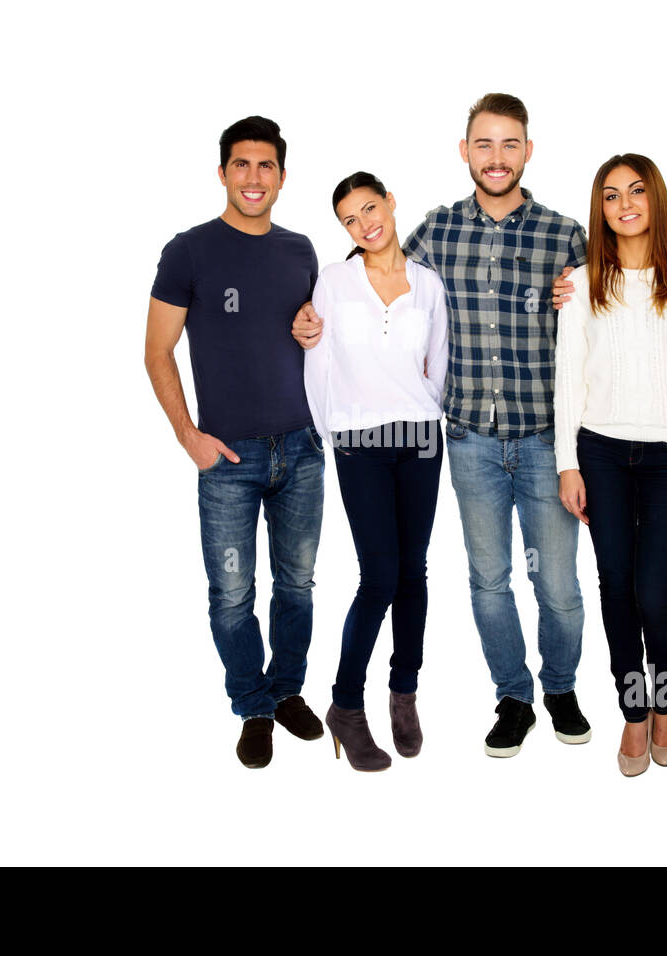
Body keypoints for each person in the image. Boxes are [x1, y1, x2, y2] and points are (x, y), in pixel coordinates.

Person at [143, 116, 326, 770]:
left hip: (302, 449)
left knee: (298, 585)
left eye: (266, 166)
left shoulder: (302, 249)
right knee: (232, 593)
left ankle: (287, 691)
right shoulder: (189, 251)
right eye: (242, 165)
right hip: (227, 458)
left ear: (281, 176)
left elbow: (309, 331)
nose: (254, 178)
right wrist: (187, 435)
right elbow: (157, 350)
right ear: (223, 172)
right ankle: (251, 704)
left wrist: (312, 328)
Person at [554, 154, 667, 777]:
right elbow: (568, 376)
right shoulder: (581, 281)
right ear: (599, 209)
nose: (624, 204)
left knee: (656, 590)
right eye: (610, 195)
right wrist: (568, 463)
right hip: (600, 452)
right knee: (615, 586)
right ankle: (633, 710)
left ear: (657, 200)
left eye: (637, 191)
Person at [303, 172, 448, 772]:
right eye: (350, 220)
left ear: (391, 202)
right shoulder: (335, 282)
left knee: (412, 573)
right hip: (359, 443)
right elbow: (319, 362)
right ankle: (345, 706)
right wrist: (330, 431)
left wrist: (420, 416)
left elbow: (435, 367)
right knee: (379, 576)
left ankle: (404, 694)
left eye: (370, 208)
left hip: (419, 441)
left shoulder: (429, 285)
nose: (365, 225)